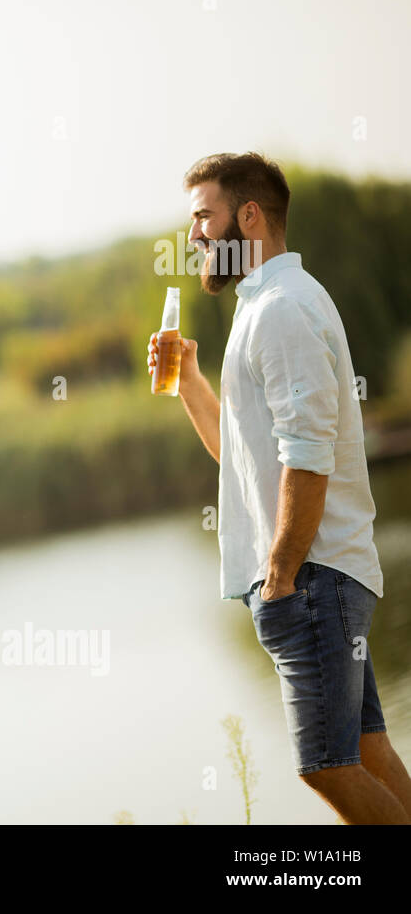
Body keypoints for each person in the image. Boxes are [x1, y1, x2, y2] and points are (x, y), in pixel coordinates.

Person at [150, 152, 411, 823]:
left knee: (326, 766)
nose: (194, 237)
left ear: (249, 216)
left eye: (203, 216)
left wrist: (282, 571)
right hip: (320, 581)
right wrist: (189, 383)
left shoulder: (282, 311)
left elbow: (307, 455)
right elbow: (241, 459)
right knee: (366, 752)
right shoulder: (263, 307)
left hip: (315, 581)